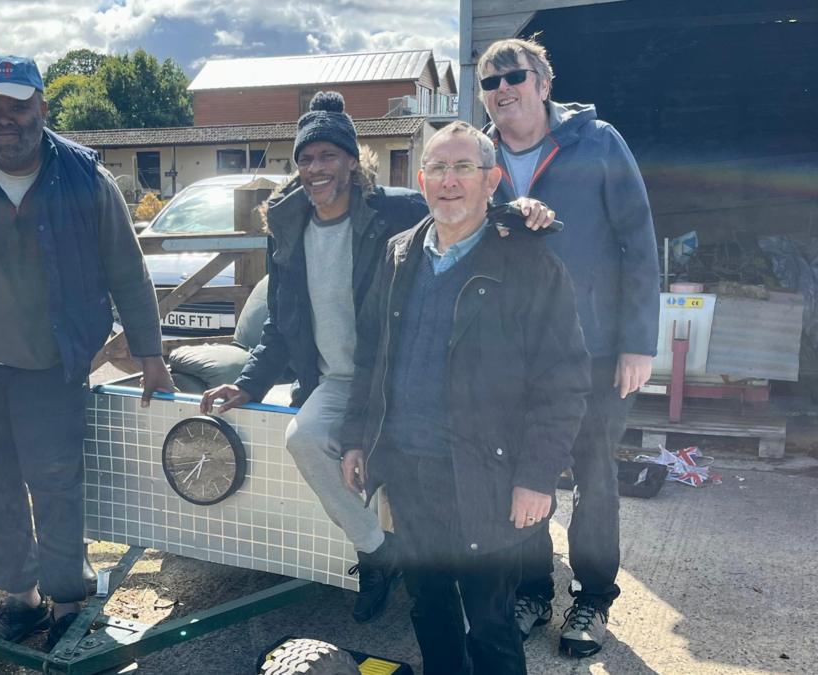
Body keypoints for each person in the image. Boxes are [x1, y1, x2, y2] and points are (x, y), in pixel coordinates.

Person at [199, 92, 554, 622]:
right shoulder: (286, 228)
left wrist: (520, 210)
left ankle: (524, 580)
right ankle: (377, 552)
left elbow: (457, 210)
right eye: (306, 158)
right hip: (341, 379)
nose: (316, 168)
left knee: (485, 466)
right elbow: (282, 320)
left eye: (328, 156)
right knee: (304, 437)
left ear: (352, 160)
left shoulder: (395, 210)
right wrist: (248, 383)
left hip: (402, 373)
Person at [0, 55, 171, 650]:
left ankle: (68, 601)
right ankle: (19, 600)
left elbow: (127, 269)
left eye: (17, 106)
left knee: (56, 483)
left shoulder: (84, 177)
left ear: (42, 108)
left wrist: (151, 353)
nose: (4, 119)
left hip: (52, 366)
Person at [339, 120, 591, 674]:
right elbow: (371, 357)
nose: (449, 181)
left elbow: (563, 381)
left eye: (464, 168)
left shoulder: (529, 264)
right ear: (422, 179)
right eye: (438, 169)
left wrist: (537, 476)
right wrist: (357, 439)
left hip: (488, 478)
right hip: (410, 473)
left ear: (492, 179)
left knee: (491, 624)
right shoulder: (398, 254)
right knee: (429, 609)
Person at [477, 38, 661, 657]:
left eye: (513, 76)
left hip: (597, 348)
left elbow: (638, 240)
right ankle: (534, 588)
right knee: (519, 470)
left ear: (543, 82)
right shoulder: (480, 159)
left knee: (593, 473)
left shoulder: (597, 141)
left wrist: (638, 341)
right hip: (514, 354)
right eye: (488, 81)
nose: (501, 89)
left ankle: (592, 597)